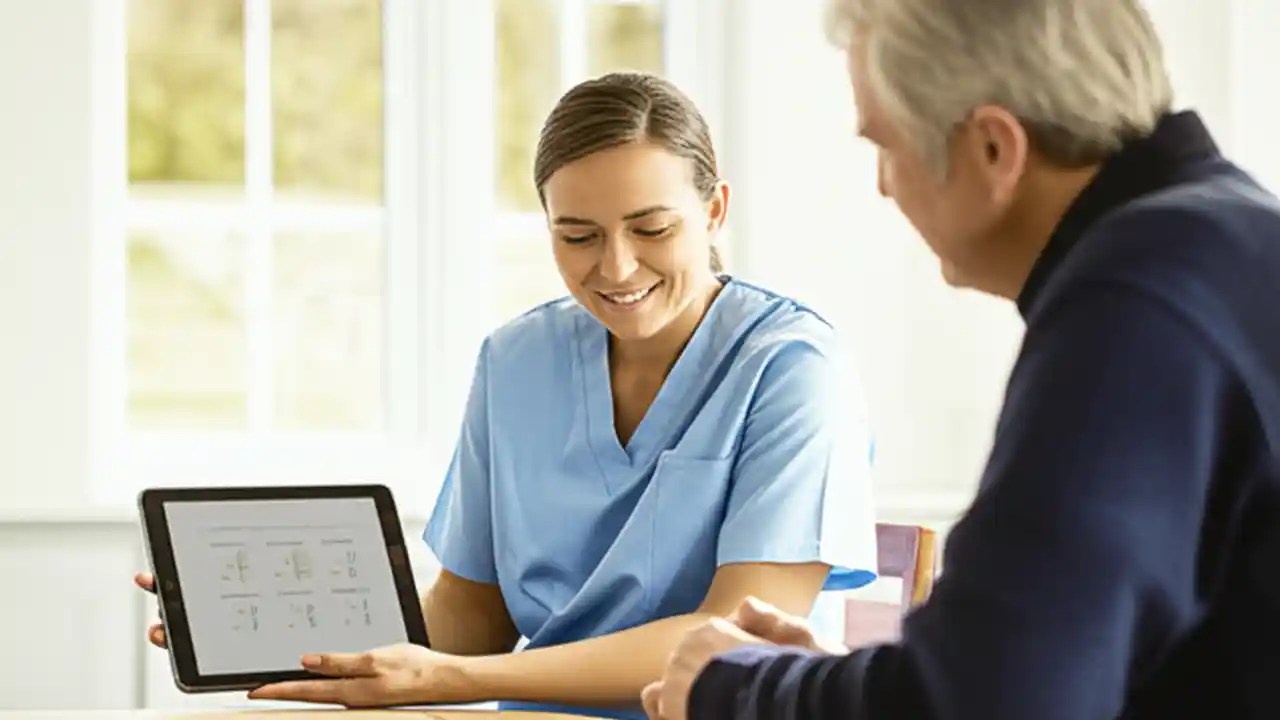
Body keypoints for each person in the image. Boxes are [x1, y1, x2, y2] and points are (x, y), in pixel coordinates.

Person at [134, 71, 878, 719]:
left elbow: (734, 641)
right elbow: (472, 612)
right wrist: (281, 638)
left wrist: (455, 679)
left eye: (651, 228)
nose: (616, 267)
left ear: (714, 210)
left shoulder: (793, 368)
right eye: (578, 236)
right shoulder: (516, 360)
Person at [645, 0, 1280, 718]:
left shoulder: (1136, 298)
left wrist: (734, 688)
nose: (884, 185)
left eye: (885, 145)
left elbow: (987, 701)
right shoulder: (1225, 246)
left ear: (993, 149)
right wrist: (845, 680)